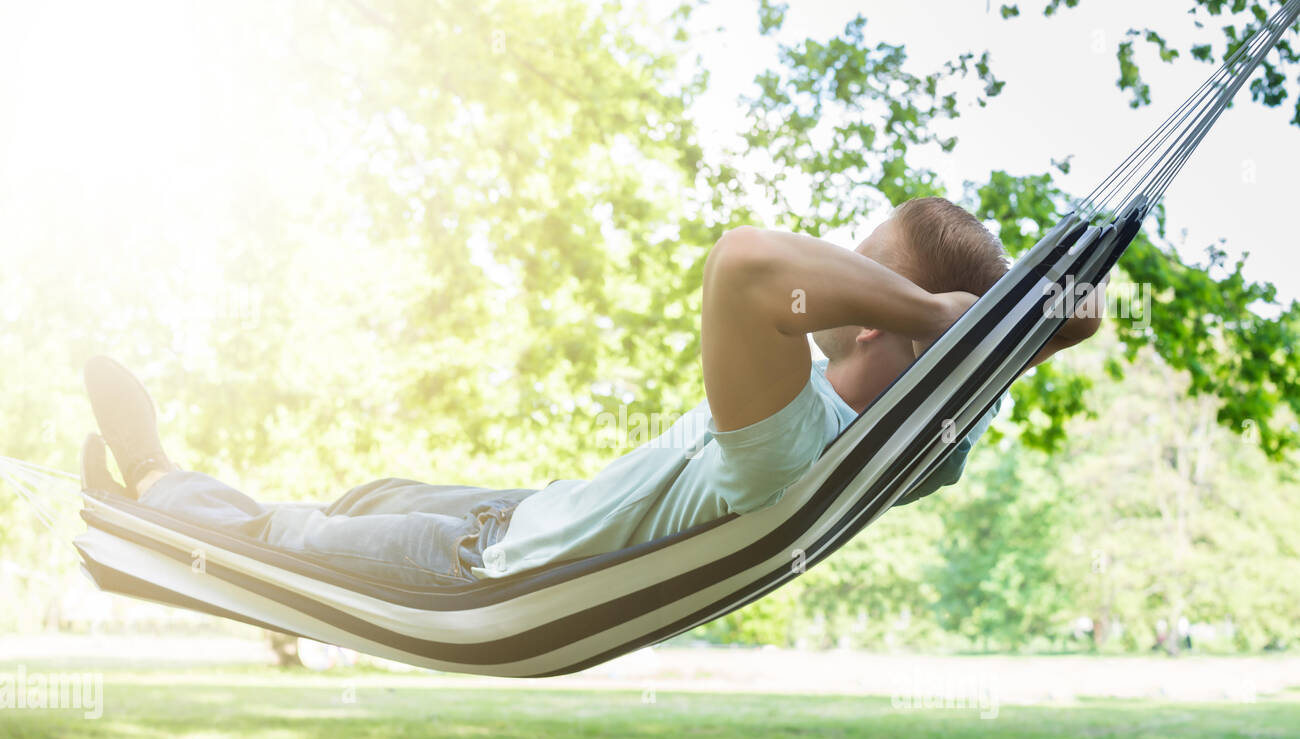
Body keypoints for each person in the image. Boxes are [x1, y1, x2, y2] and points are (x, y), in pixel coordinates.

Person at [81, 197, 1104, 586]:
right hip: (519, 513)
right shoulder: (925, 443)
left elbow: (744, 265)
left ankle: (150, 483)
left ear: (878, 315)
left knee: (280, 540)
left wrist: (936, 312)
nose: (834, 267)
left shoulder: (800, 438)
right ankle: (143, 545)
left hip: (481, 569)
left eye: (858, 260)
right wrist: (985, 323)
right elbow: (1083, 312)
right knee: (357, 499)